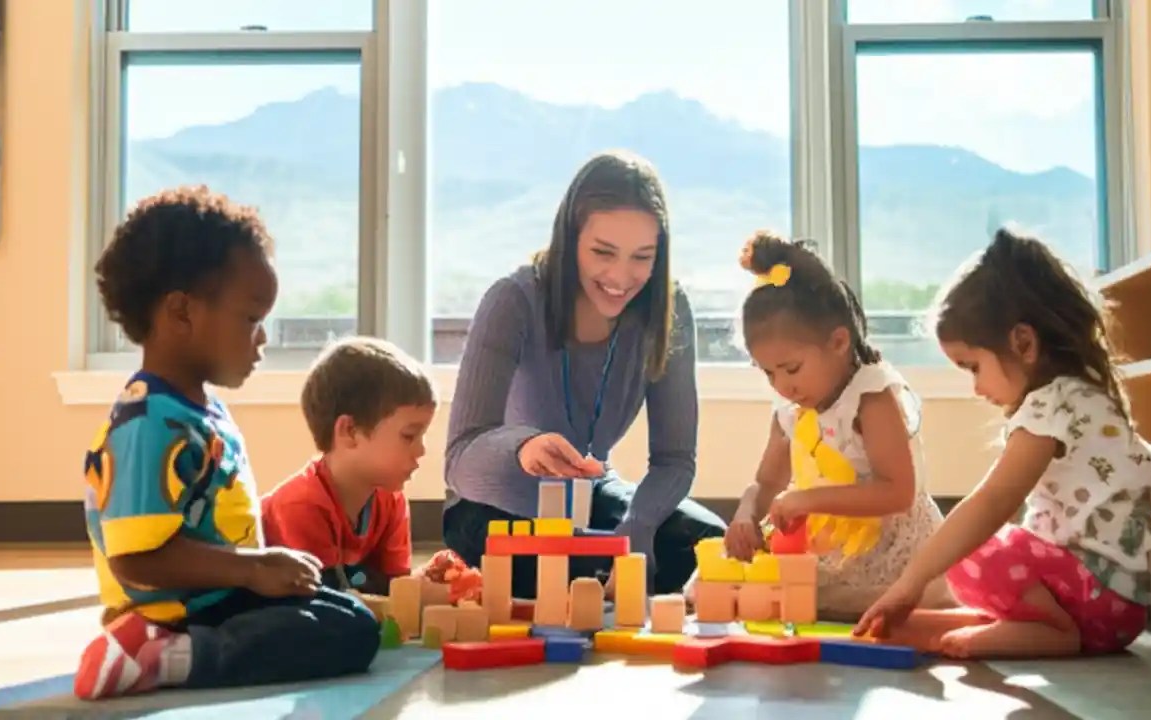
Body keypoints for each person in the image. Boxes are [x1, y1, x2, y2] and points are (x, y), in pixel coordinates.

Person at [74, 187, 379, 700]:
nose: (262, 339)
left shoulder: (198, 410)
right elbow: (135, 559)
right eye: (251, 320)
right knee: (348, 632)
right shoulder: (147, 423)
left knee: (350, 616)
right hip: (177, 613)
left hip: (221, 598)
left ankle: (183, 652)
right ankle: (166, 654)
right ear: (182, 312)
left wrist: (261, 567)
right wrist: (252, 568)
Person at [855, 228, 1151, 658]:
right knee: (975, 552)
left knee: (973, 548)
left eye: (973, 367)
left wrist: (910, 582)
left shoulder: (1051, 404)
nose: (976, 387)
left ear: (1023, 343)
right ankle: (1029, 623)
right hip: (1122, 608)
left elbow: (994, 501)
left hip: (1095, 599)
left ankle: (1054, 631)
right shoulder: (1087, 393)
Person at [442, 150, 726, 598]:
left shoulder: (668, 309)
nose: (621, 276)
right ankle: (594, 582)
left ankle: (599, 580)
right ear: (570, 238)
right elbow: (459, 461)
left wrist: (639, 525)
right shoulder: (513, 300)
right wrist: (524, 447)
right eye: (602, 252)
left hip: (592, 497)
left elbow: (674, 459)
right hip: (495, 506)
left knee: (709, 546)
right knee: (560, 564)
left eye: (642, 257)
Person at [686, 230, 949, 619]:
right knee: (713, 582)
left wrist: (808, 500)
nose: (782, 385)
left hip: (884, 547)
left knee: (810, 599)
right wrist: (745, 514)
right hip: (820, 538)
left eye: (792, 369)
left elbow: (898, 492)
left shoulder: (870, 396)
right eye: (768, 373)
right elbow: (766, 483)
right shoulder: (790, 409)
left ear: (839, 342)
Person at [262, 336, 437, 596]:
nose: (421, 451)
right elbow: (325, 601)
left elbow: (394, 588)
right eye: (409, 436)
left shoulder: (390, 500)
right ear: (350, 431)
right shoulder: (301, 505)